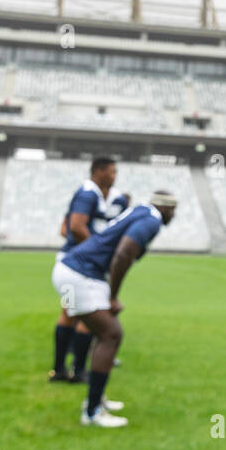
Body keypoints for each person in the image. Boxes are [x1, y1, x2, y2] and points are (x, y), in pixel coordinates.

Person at [51, 191, 178, 427]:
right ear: (166, 209)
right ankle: (92, 411)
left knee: (99, 332)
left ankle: (95, 398)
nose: (175, 215)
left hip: (74, 271)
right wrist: (113, 296)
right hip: (81, 274)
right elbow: (123, 254)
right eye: (174, 210)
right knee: (111, 334)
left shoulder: (141, 210)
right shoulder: (152, 220)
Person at [49, 157, 128, 382]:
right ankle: (77, 370)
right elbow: (74, 226)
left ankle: (60, 369)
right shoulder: (87, 193)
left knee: (70, 313)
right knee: (84, 315)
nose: (115, 176)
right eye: (112, 172)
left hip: (78, 264)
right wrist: (98, 250)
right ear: (98, 171)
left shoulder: (109, 197)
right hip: (79, 266)